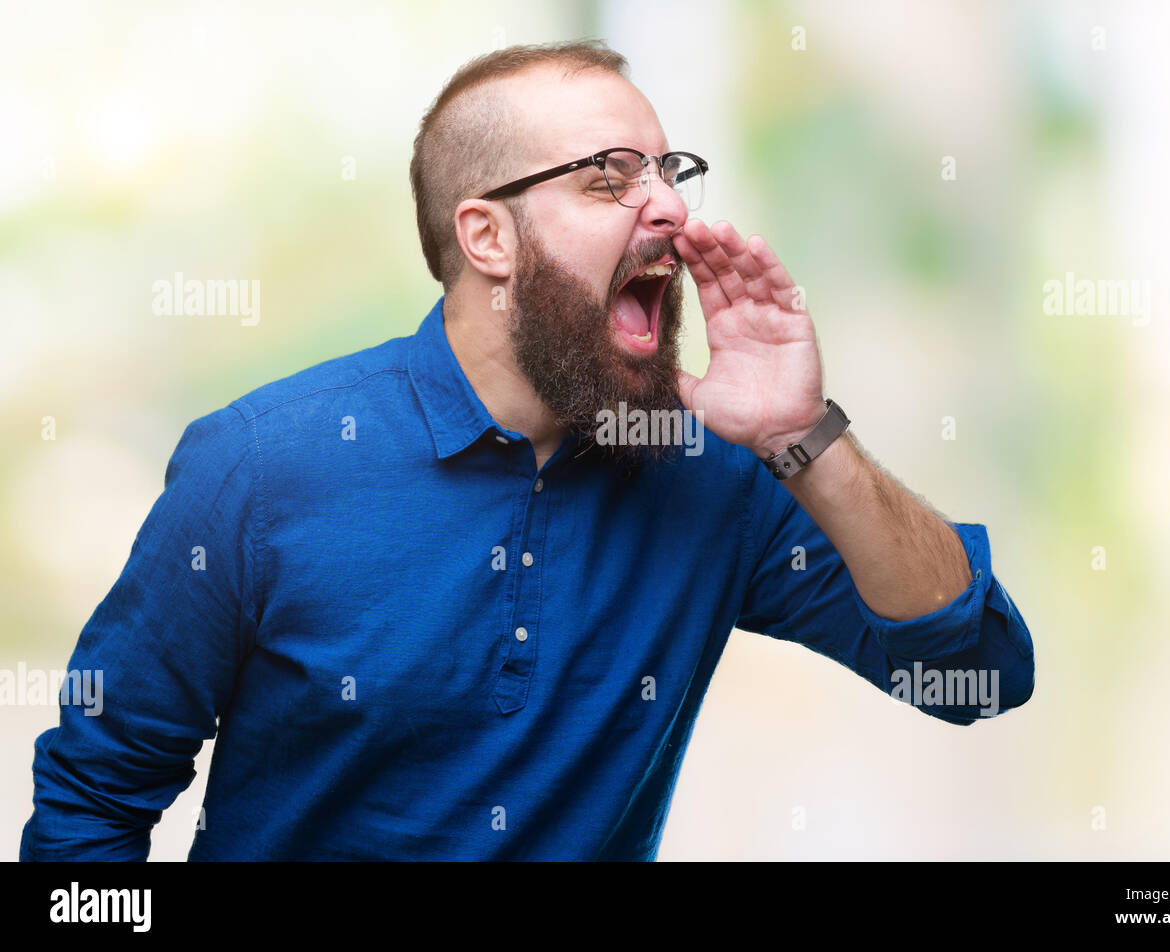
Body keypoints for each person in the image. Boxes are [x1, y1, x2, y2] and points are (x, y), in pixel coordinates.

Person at [21, 39, 1034, 861]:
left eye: (669, 172)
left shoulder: (716, 472)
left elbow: (976, 673)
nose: (672, 209)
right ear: (487, 238)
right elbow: (89, 810)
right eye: (609, 178)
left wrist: (801, 436)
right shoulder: (260, 467)